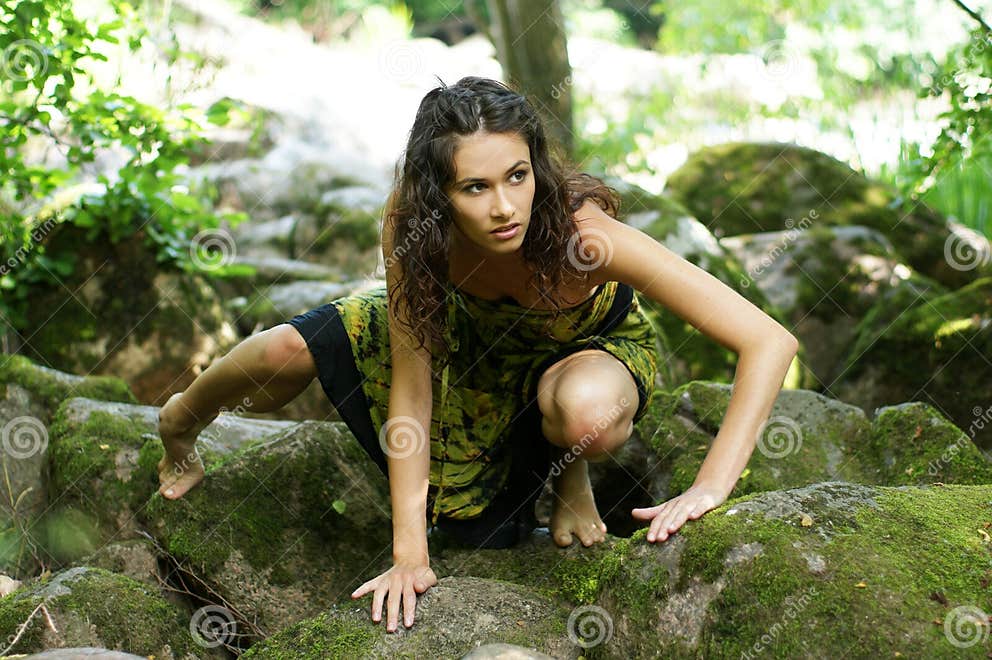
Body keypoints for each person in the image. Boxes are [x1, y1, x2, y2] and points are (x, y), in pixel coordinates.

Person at [156, 76, 799, 634]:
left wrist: (711, 486)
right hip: (463, 341)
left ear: (536, 169)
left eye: (518, 177)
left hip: (579, 353)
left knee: (585, 415)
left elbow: (769, 339)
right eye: (474, 187)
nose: (503, 208)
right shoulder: (412, 226)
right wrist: (410, 551)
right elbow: (413, 384)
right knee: (283, 351)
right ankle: (177, 419)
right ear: (437, 194)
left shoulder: (588, 239)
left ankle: (568, 472)